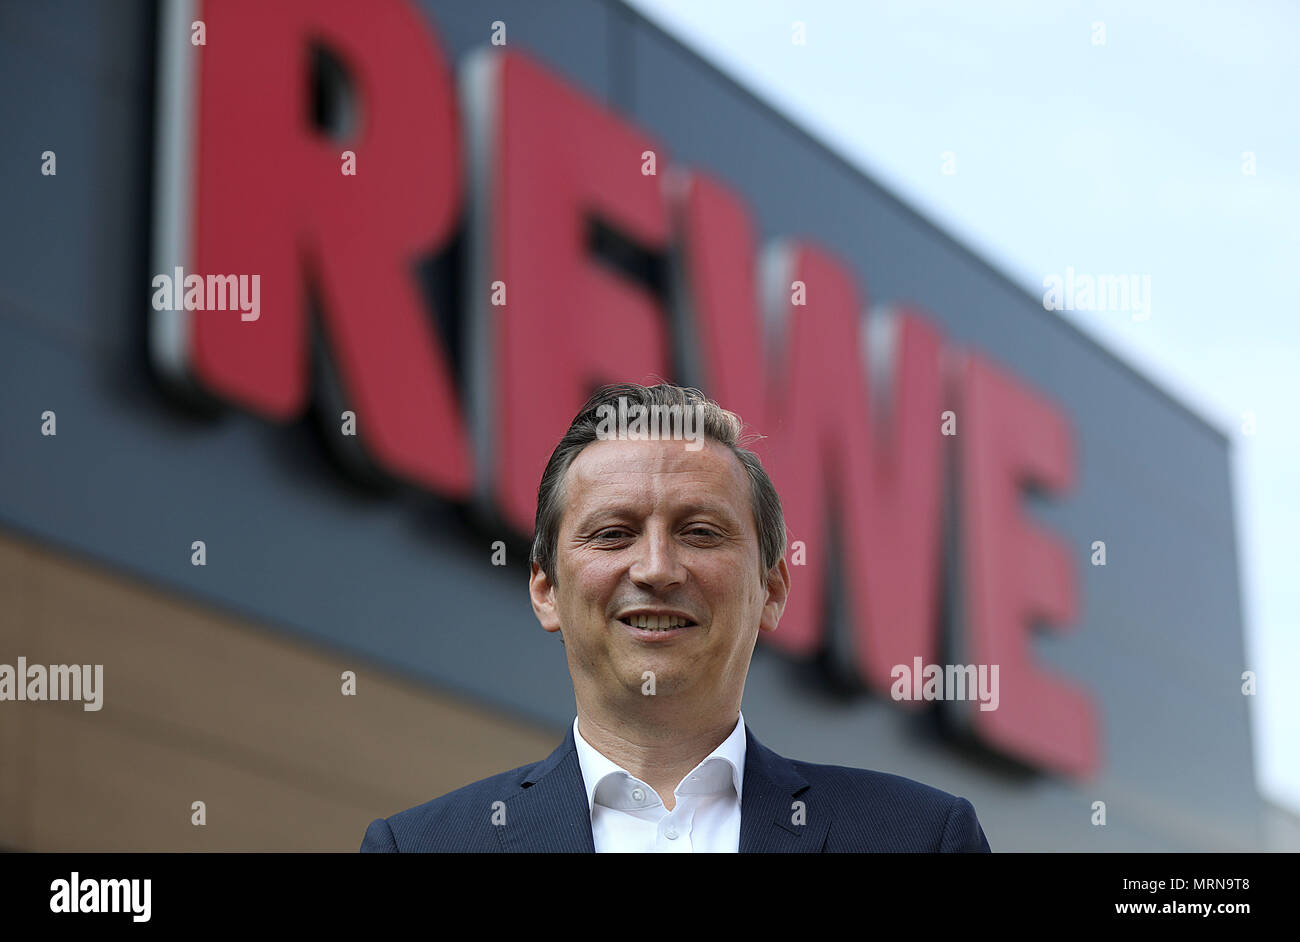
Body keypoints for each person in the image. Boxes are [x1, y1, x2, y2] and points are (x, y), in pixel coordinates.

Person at [361, 383, 991, 852]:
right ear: (546, 588)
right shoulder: (419, 848)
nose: (657, 568)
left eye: (700, 532)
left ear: (771, 589)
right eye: (613, 533)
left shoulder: (921, 839)